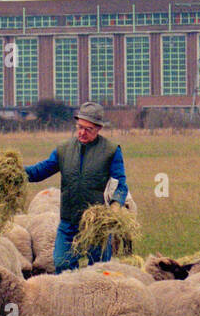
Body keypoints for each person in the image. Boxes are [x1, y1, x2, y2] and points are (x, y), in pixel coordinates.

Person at [24, 101, 128, 272]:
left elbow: (120, 184)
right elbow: (40, 171)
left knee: (99, 270)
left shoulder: (111, 151)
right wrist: (16, 173)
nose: (82, 132)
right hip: (69, 222)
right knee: (62, 264)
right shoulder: (64, 150)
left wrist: (116, 205)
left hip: (97, 225)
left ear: (99, 128)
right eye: (80, 126)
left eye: (88, 129)